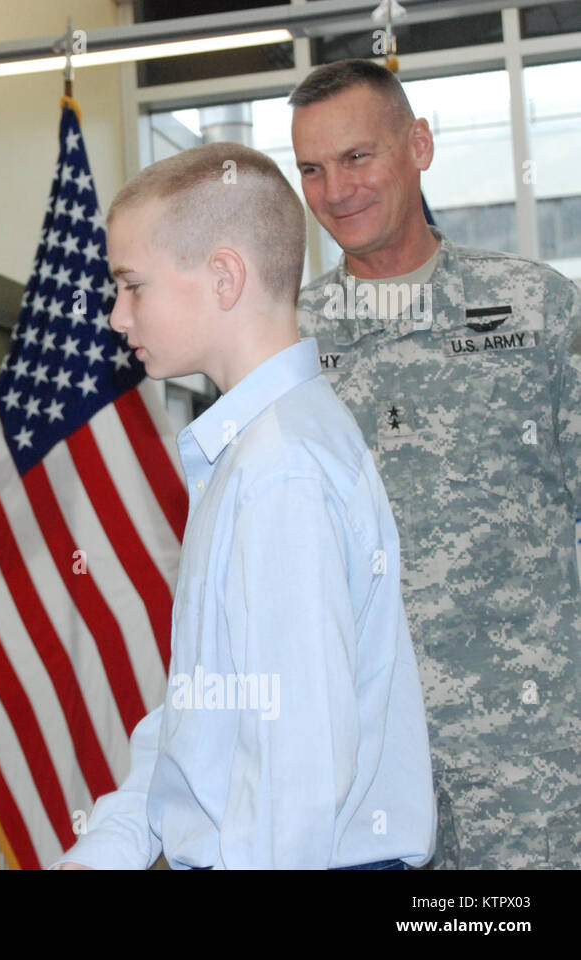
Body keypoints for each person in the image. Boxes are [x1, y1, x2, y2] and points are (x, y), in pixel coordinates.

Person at [51, 141, 436, 869]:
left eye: (133, 286)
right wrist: (109, 849)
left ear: (225, 276)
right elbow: (205, 713)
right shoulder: (256, 449)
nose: (115, 316)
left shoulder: (279, 467)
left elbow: (297, 774)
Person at [291, 59, 581, 869]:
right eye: (312, 169)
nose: (335, 190)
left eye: (357, 158)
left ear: (418, 144)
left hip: (530, 756)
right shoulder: (288, 343)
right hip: (362, 756)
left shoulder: (538, 310)